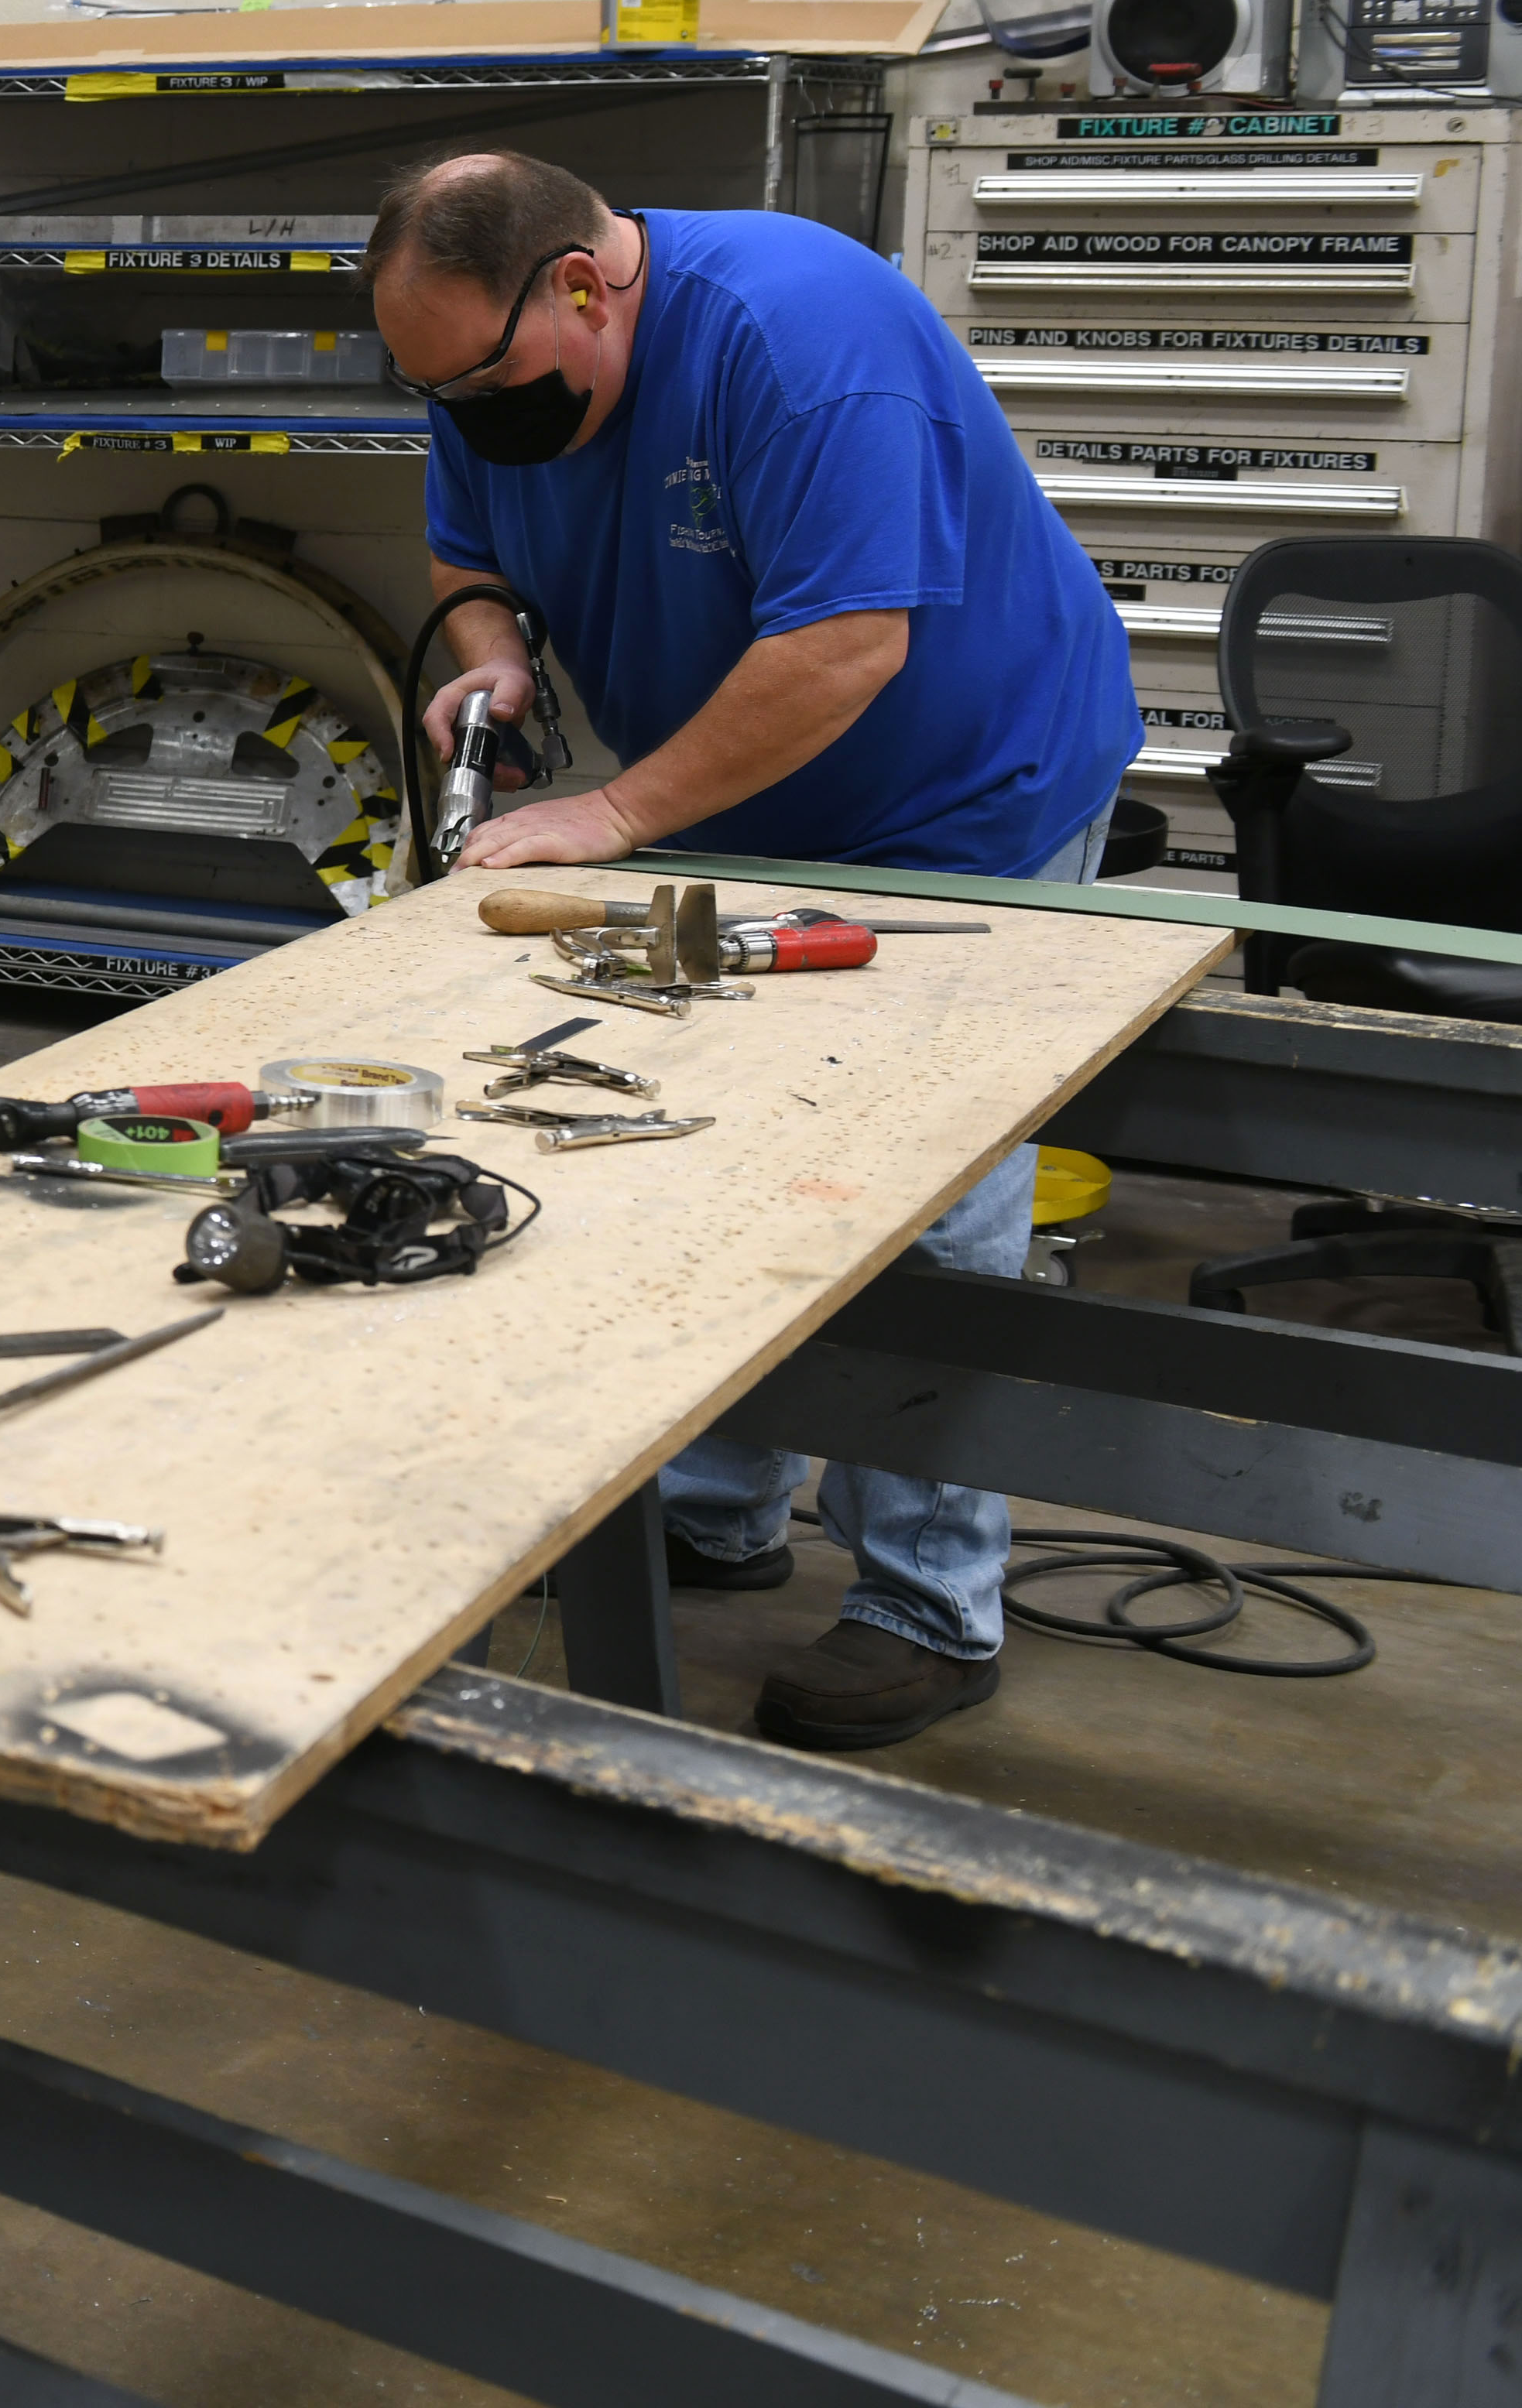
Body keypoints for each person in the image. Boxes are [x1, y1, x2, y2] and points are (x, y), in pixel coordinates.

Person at [369, 149, 1135, 1752]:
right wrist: (494, 666)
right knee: (701, 1141)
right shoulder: (483, 363)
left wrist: (621, 814)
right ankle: (720, 1512)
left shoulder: (798, 334)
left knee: (930, 1193)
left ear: (586, 285)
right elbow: (471, 559)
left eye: (493, 380)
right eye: (436, 388)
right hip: (731, 803)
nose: (472, 413)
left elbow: (850, 641)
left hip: (963, 800)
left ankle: (927, 1603)